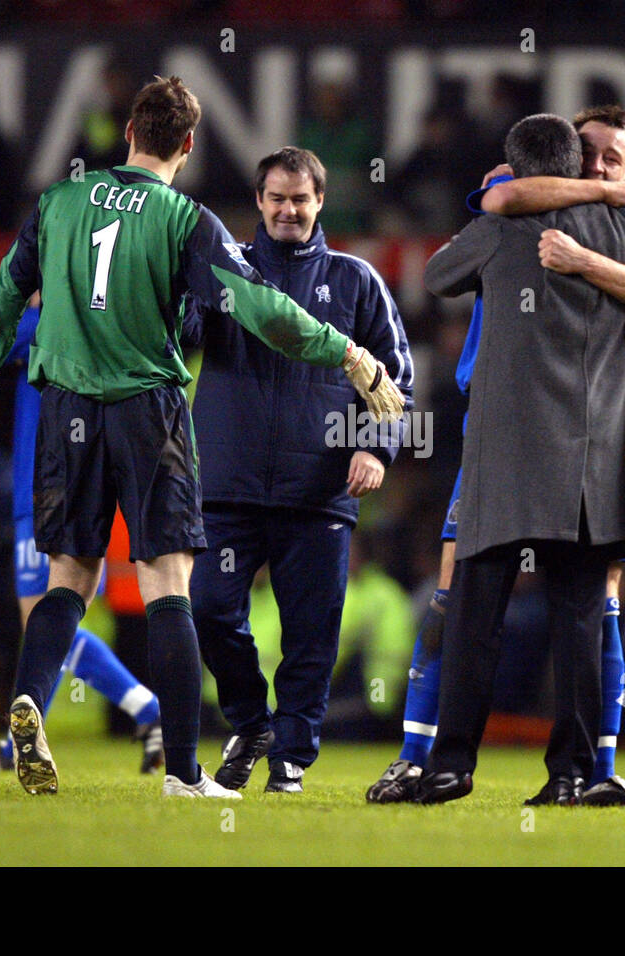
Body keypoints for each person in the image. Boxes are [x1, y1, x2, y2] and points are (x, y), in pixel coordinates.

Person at [0, 75, 404, 798]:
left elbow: (1, 302)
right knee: (169, 587)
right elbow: (264, 312)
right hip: (147, 413)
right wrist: (348, 352)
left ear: (126, 134)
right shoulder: (187, 218)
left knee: (68, 581)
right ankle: (183, 772)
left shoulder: (56, 204)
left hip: (65, 414)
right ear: (187, 144)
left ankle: (29, 700)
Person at [368, 105, 625, 808]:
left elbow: (443, 270)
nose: (599, 167)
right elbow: (514, 194)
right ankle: (568, 773)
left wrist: (575, 255)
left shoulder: (515, 215)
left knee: (482, 607)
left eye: (612, 161)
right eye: (588, 153)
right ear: (568, 157)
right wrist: (593, 207)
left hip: (509, 446)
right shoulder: (622, 218)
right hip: (579, 449)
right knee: (569, 614)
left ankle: (449, 765)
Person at [182, 147, 414, 793]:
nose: (288, 210)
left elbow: (397, 382)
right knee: (208, 608)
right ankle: (252, 721)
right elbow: (180, 338)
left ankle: (291, 757)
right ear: (259, 202)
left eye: (300, 199)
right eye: (277, 198)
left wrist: (375, 447)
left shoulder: (356, 280)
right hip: (227, 485)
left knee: (312, 636)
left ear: (319, 202)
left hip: (319, 488)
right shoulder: (224, 275)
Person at [0, 249, 166, 775]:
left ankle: (148, 707)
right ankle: (23, 743)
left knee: (43, 619)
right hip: (77, 480)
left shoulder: (42, 322)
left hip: (40, 485)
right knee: (45, 620)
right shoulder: (87, 316)